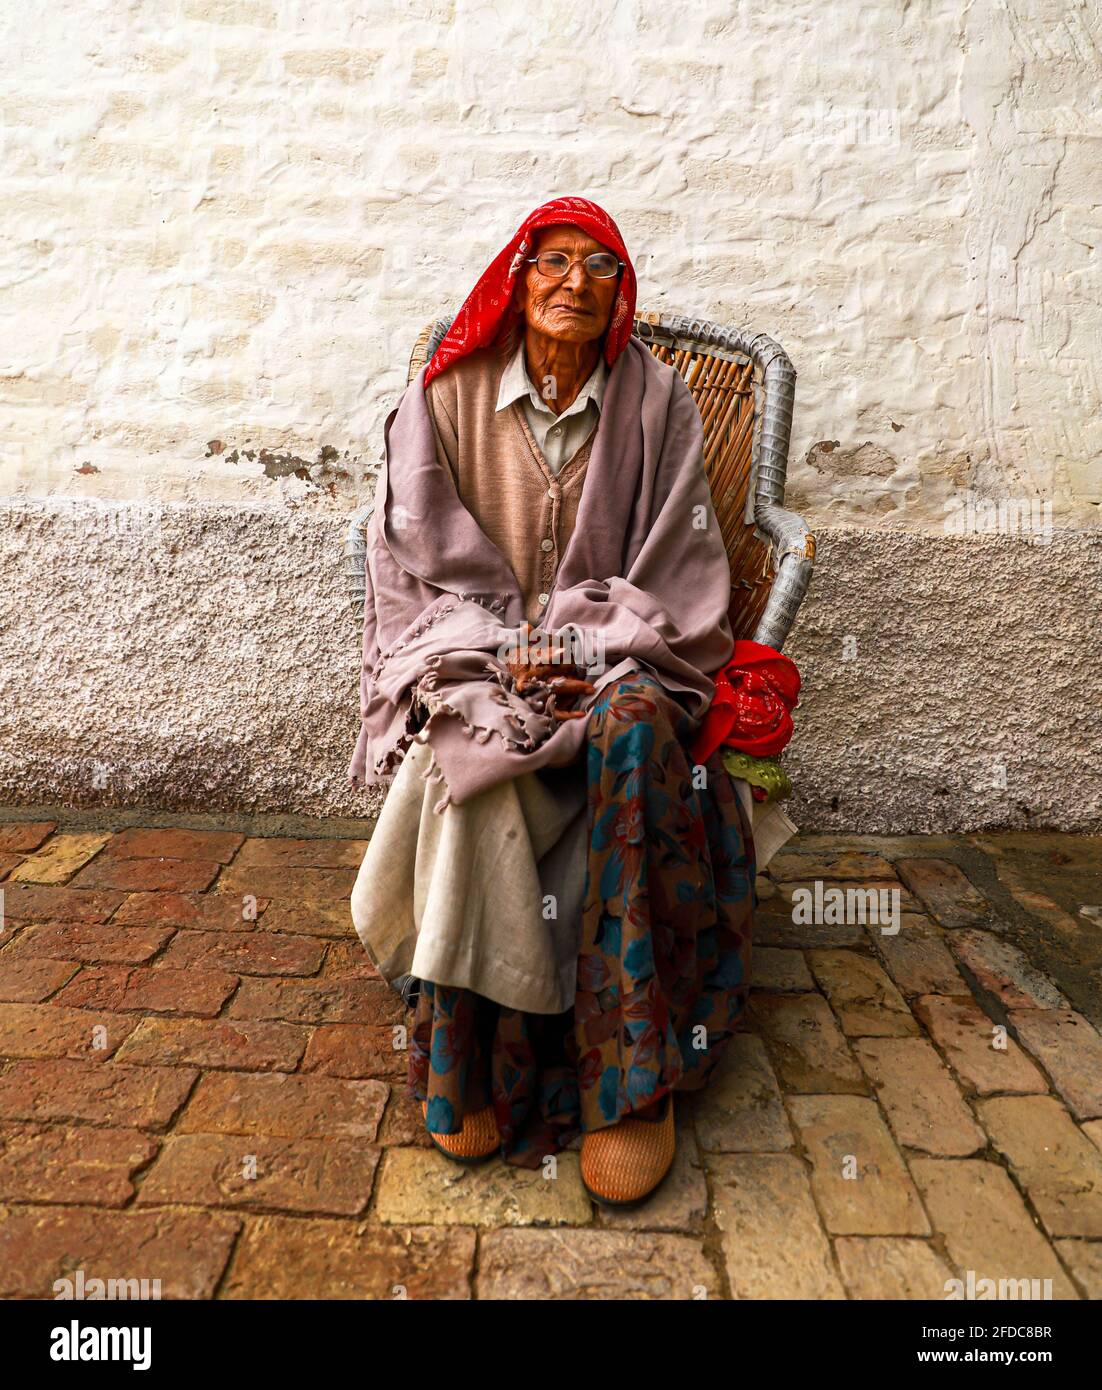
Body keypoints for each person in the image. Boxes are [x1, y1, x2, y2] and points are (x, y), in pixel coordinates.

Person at [349, 196, 755, 1206]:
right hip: (475, 651)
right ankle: (460, 1058)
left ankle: (628, 1081)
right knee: (466, 753)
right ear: (514, 279)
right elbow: (405, 563)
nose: (575, 283)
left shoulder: (657, 403)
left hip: (614, 658)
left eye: (600, 267)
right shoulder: (443, 400)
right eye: (553, 262)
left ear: (622, 293)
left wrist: (576, 644)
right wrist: (501, 650)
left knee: (632, 734)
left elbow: (684, 574)